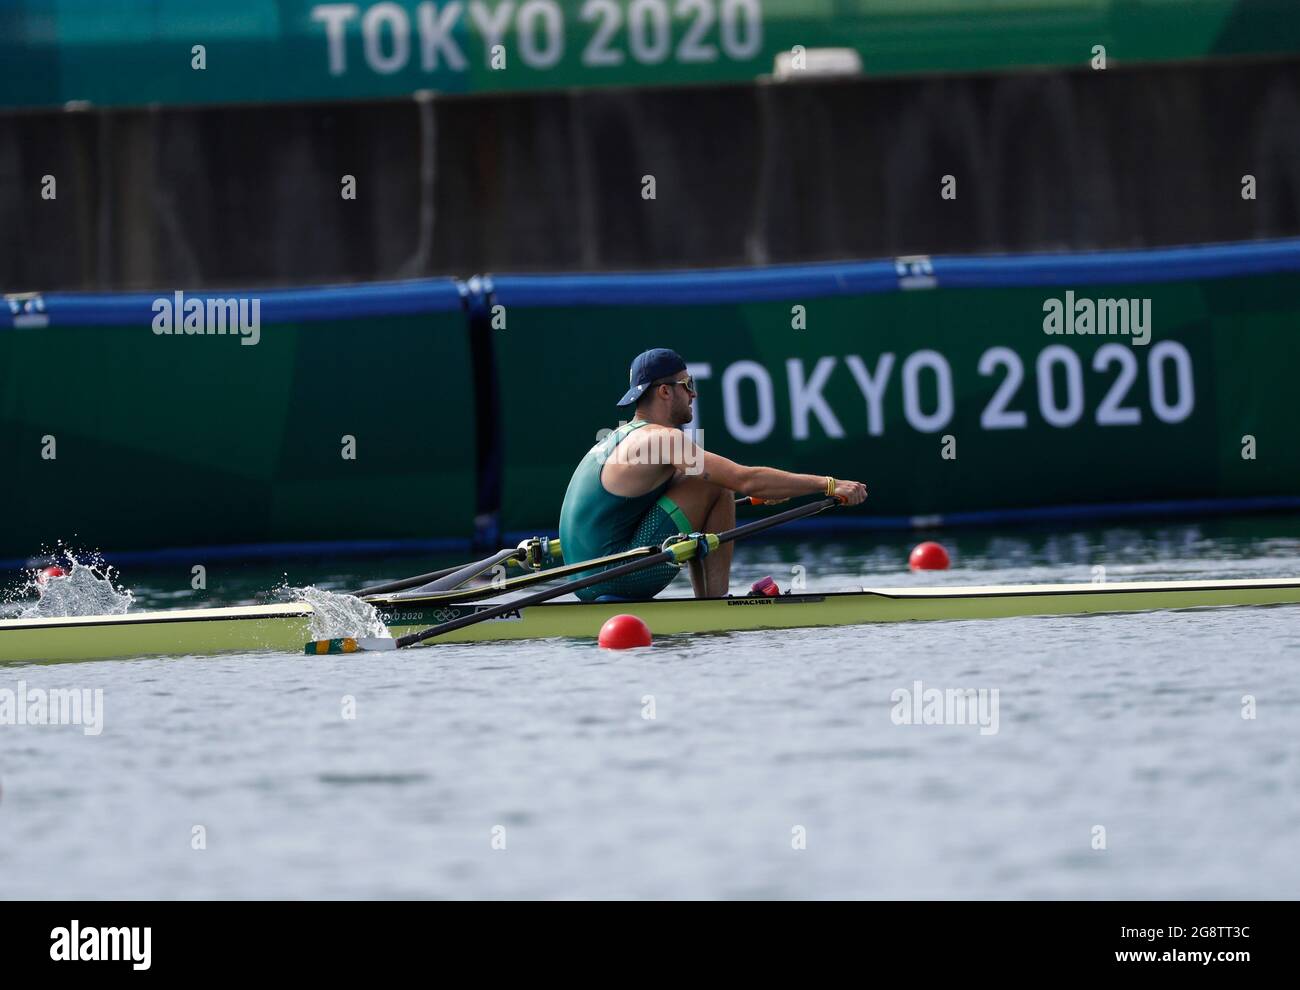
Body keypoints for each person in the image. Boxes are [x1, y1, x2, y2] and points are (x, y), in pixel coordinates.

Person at [557, 348, 868, 601]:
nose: (694, 395)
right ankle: (716, 602)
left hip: (585, 580)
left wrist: (775, 489)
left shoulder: (623, 435)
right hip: (617, 578)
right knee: (718, 486)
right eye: (688, 385)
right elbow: (743, 479)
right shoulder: (660, 440)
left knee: (706, 482)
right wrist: (828, 485)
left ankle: (709, 601)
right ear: (665, 391)